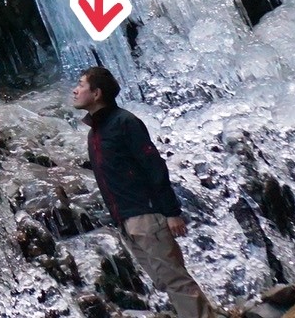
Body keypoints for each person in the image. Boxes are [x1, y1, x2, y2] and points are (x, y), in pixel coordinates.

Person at [73, 66, 212, 318]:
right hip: (126, 220)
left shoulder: (125, 123)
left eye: (81, 84)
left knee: (175, 280)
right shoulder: (95, 132)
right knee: (164, 280)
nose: (75, 89)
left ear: (96, 93)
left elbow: (154, 166)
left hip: (146, 216)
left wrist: (171, 213)